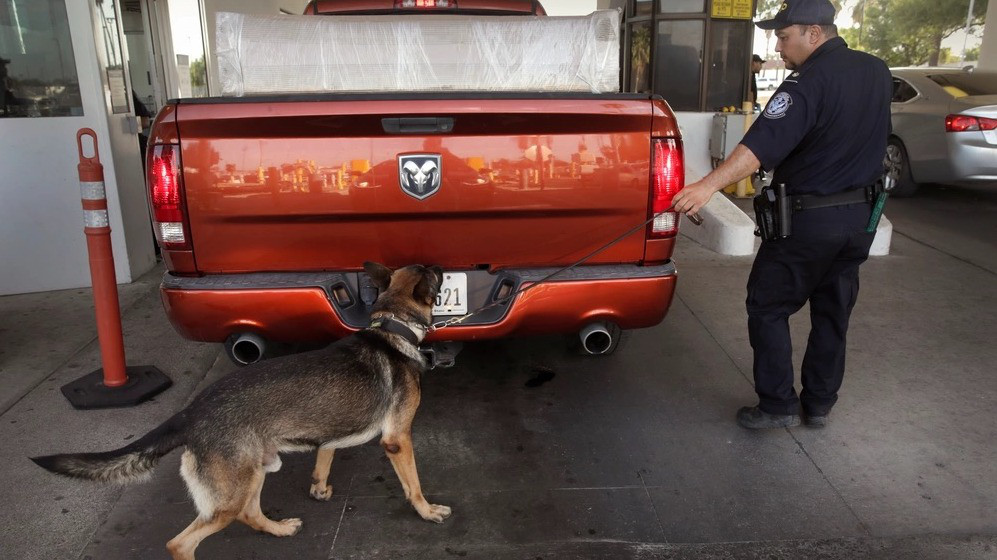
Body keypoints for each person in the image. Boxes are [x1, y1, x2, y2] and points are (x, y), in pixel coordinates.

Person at [670, 0, 892, 429]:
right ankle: (820, 404)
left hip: (809, 223)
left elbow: (758, 148)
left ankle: (777, 405)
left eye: (783, 35)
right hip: (860, 220)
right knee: (833, 310)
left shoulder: (806, 83)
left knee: (768, 305)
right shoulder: (876, 70)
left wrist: (706, 186)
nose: (778, 43)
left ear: (814, 32)